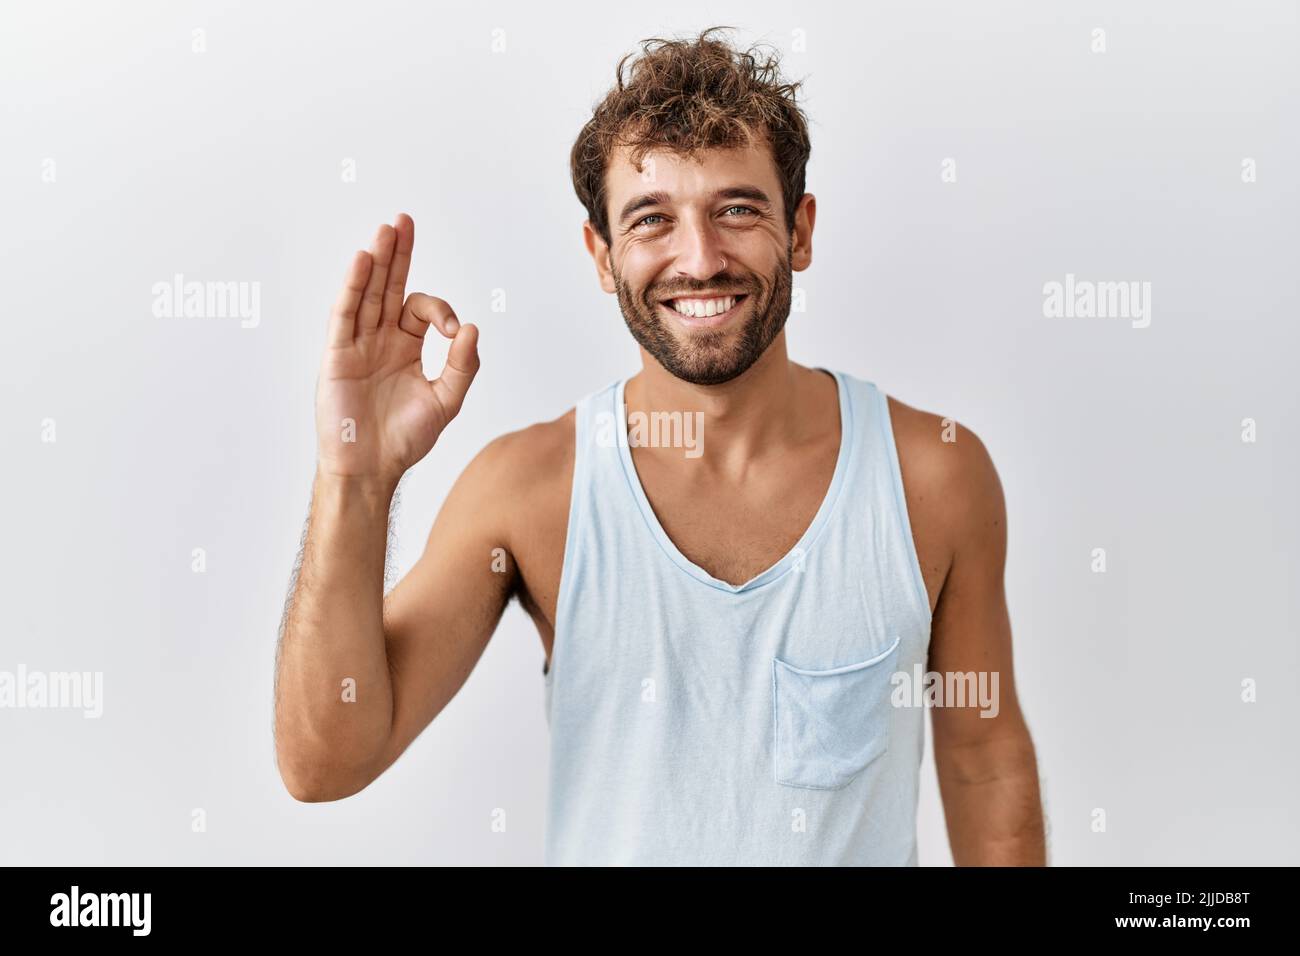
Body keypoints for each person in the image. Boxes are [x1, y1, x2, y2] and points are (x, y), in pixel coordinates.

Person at [273, 26, 1045, 866]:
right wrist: (354, 475)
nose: (700, 258)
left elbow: (982, 764)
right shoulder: (531, 491)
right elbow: (324, 763)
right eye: (652, 220)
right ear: (602, 255)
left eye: (737, 210)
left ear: (802, 230)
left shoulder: (934, 474)